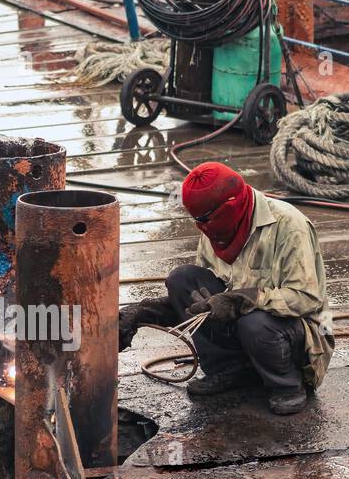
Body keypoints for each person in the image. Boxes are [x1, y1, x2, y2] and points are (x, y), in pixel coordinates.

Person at [118, 162, 332, 416]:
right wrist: (143, 313)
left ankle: (287, 385)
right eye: (197, 220)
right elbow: (200, 308)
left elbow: (307, 299)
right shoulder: (214, 226)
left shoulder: (289, 225)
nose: (202, 227)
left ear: (228, 208)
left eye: (204, 219)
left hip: (298, 334)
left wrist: (240, 300)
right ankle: (230, 370)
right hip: (249, 325)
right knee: (182, 279)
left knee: (254, 322)